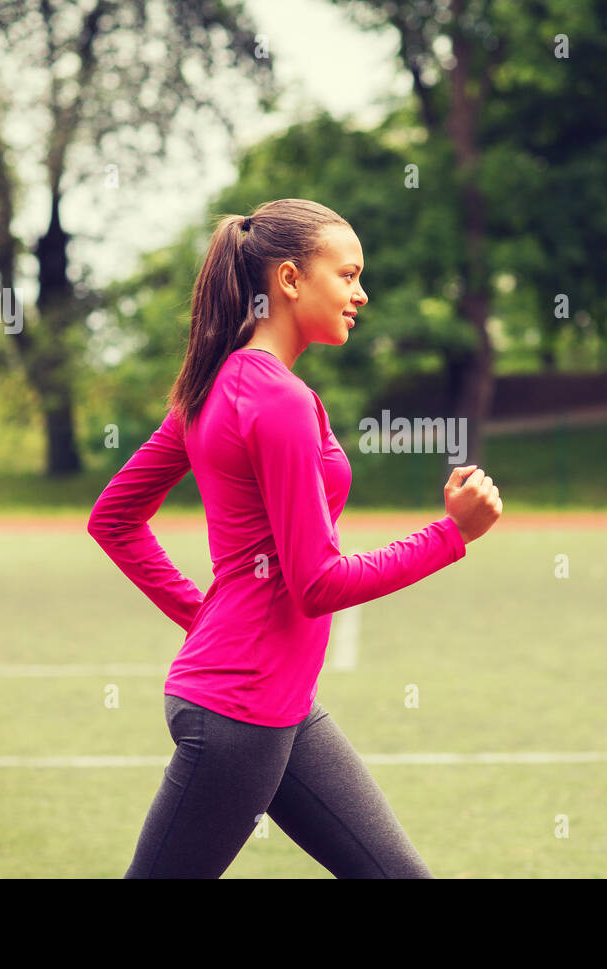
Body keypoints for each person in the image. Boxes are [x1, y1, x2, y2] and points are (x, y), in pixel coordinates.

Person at [86, 198, 503, 878]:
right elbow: (318, 584)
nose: (360, 293)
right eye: (347, 275)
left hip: (275, 702)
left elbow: (113, 519)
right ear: (288, 279)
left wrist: (207, 619)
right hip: (237, 714)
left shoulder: (216, 386)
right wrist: (452, 534)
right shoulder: (275, 399)